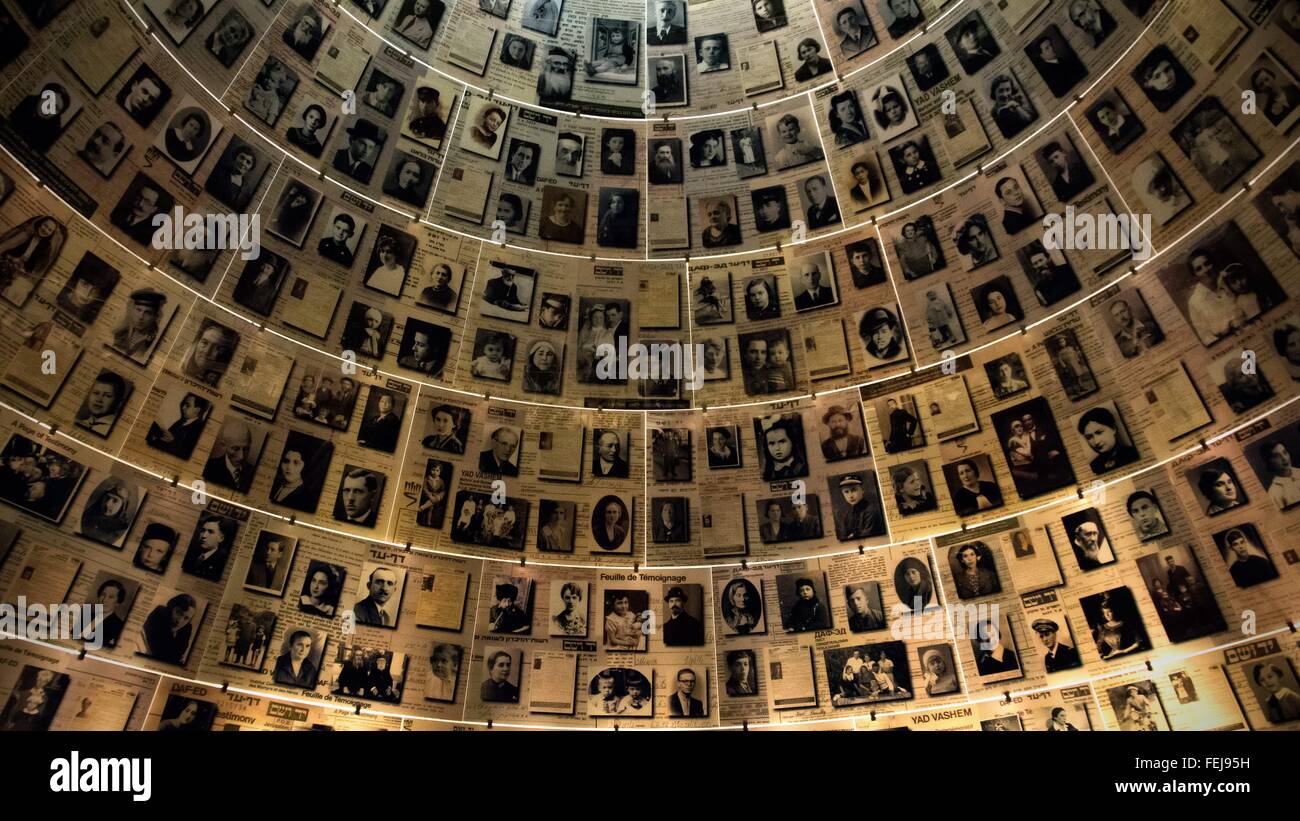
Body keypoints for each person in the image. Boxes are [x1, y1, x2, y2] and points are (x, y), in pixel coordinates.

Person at [1077, 406, 1139, 474]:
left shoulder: (1132, 454)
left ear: (1113, 429)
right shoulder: (1093, 466)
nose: (1096, 442)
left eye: (1099, 432)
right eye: (1089, 437)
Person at [141, 593, 198, 664]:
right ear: (171, 607)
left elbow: (178, 654)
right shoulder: (158, 614)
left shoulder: (187, 628)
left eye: (186, 618)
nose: (180, 620)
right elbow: (157, 652)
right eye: (179, 613)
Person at [80, 478, 135, 545]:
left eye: (115, 501)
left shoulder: (122, 531)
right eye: (107, 498)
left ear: (123, 507)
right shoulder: (86, 519)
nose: (107, 503)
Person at [75, 371, 128, 437]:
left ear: (119, 402)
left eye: (107, 396)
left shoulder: (115, 430)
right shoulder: (81, 422)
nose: (99, 399)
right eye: (96, 393)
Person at [90, 580, 127, 649]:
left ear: (117, 603)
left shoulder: (119, 627)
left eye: (111, 597)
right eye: (103, 595)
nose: (104, 600)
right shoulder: (85, 617)